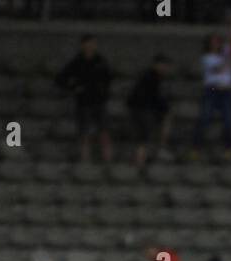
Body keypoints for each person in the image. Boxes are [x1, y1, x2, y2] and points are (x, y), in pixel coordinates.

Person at [56, 34, 114, 165]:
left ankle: (108, 160)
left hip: (99, 102)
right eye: (88, 44)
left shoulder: (101, 60)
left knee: (104, 132)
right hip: (83, 103)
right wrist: (74, 88)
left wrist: (104, 92)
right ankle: (85, 161)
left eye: (93, 44)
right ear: (83, 45)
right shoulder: (76, 62)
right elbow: (60, 79)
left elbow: (109, 77)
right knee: (84, 133)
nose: (91, 46)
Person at [127, 54, 173, 174]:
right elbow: (154, 97)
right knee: (143, 140)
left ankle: (141, 163)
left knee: (143, 140)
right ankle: (140, 165)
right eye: (164, 65)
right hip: (143, 112)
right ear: (157, 64)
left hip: (142, 111)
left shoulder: (149, 76)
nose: (166, 68)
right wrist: (164, 109)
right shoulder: (151, 78)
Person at [191, 33, 231, 160]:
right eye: (213, 42)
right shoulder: (206, 57)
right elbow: (216, 69)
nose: (216, 44)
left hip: (226, 90)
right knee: (204, 119)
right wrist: (228, 58)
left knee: (228, 121)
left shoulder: (225, 53)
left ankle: (228, 148)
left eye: (217, 41)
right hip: (212, 89)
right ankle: (196, 148)